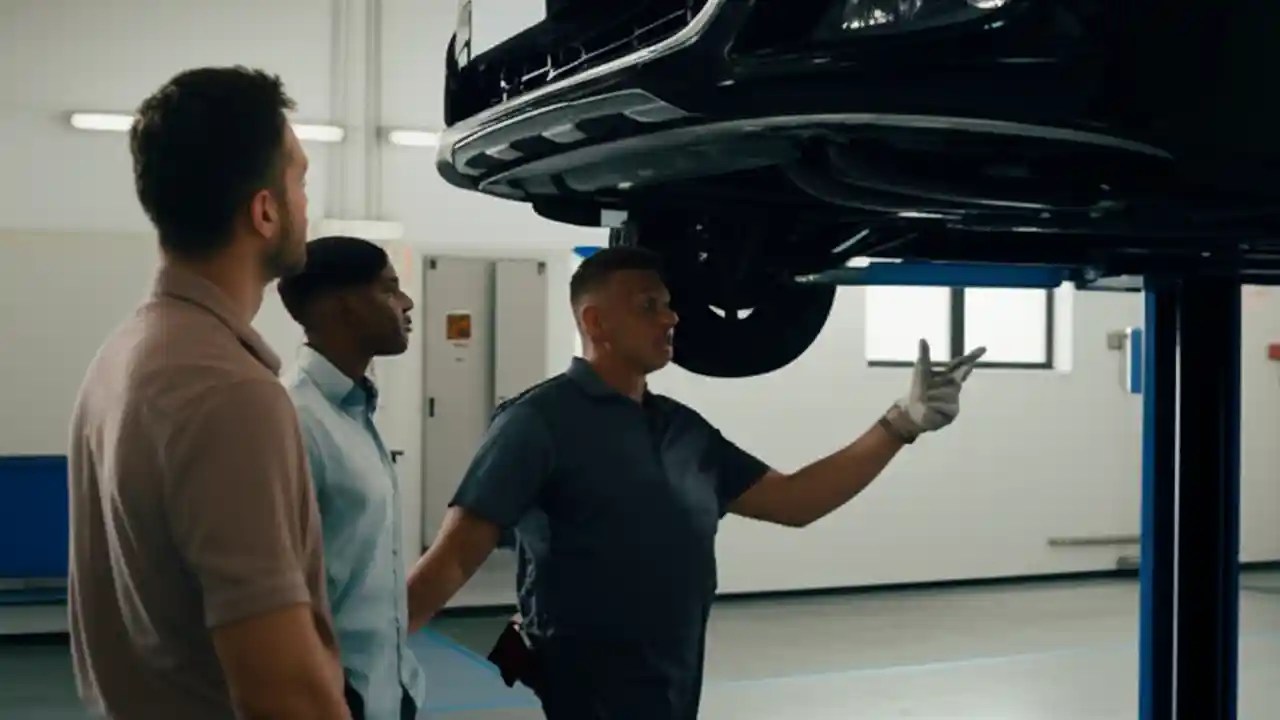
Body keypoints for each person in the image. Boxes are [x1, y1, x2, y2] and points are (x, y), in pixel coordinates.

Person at [404, 245, 986, 719]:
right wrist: (365, 654)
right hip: (587, 689)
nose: (673, 317)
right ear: (595, 322)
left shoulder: (683, 430)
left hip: (675, 679)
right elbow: (455, 556)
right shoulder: (538, 422)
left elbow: (796, 501)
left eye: (669, 304)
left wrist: (899, 425)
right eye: (649, 306)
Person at [67, 66, 351, 720]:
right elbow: (283, 691)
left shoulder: (122, 357)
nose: (307, 204)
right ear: (265, 210)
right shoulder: (229, 393)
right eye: (300, 180)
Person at [276, 236, 425, 720]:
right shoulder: (295, 420)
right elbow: (279, 585)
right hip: (337, 699)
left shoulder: (356, 412)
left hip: (390, 687)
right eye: (389, 289)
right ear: (345, 307)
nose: (406, 303)